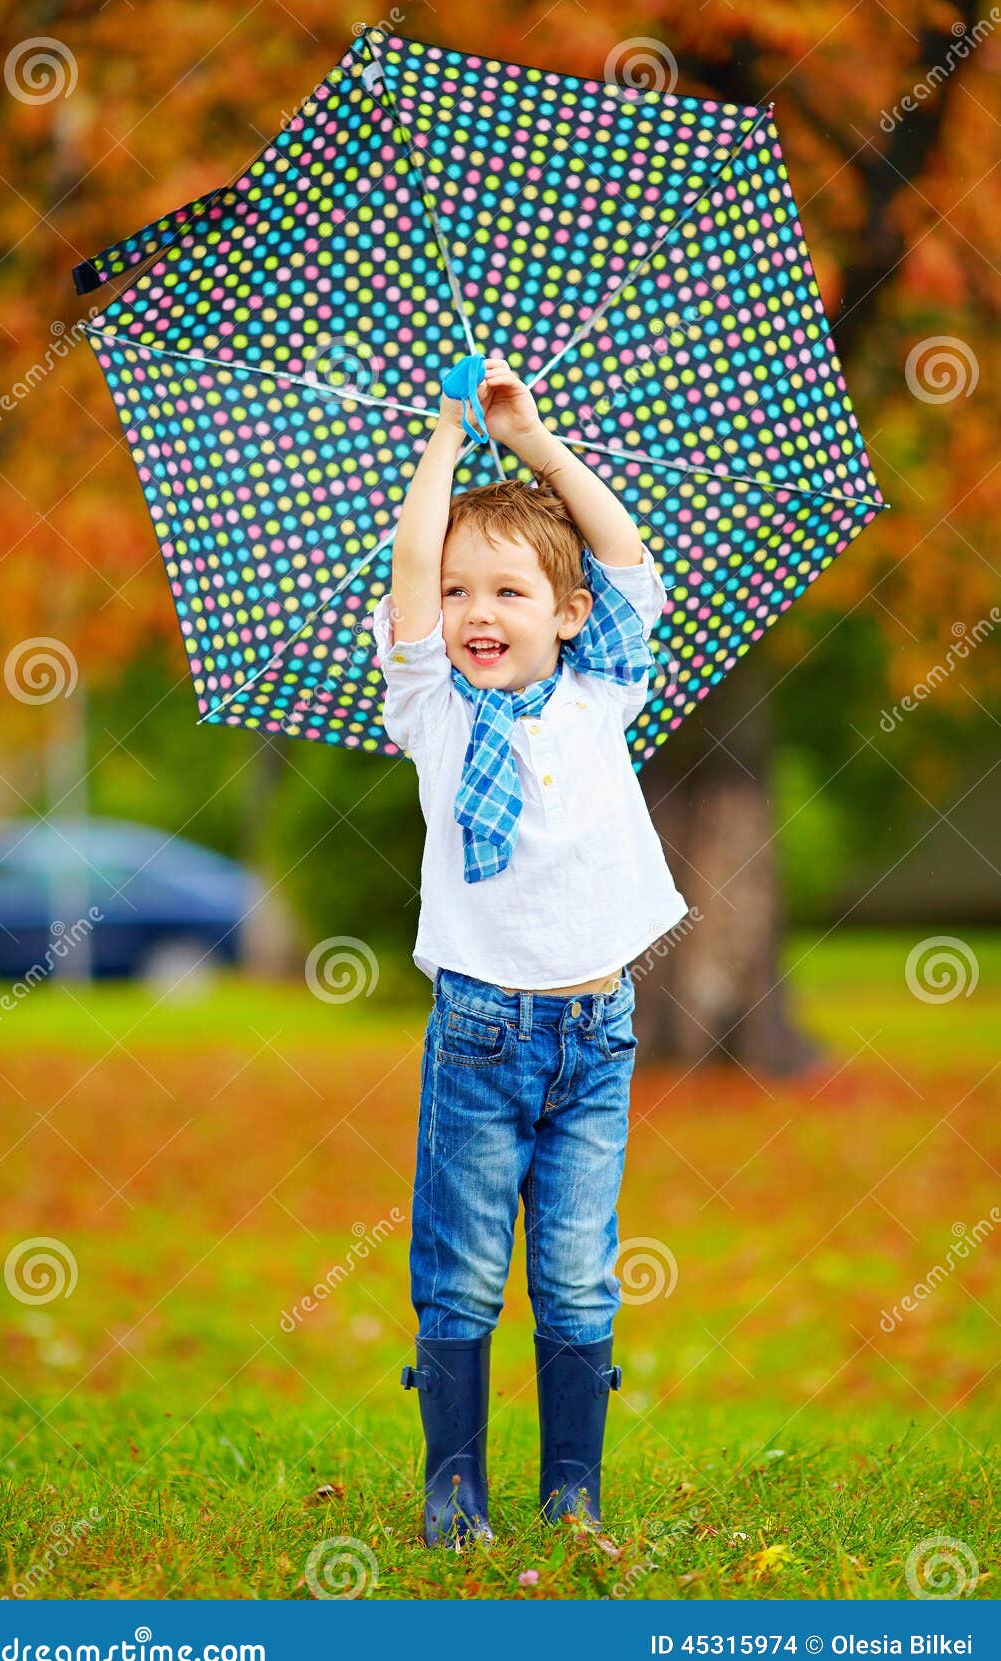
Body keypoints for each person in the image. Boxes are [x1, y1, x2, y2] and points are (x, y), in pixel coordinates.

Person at [369, 353, 689, 1547]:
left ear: (562, 618)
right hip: (477, 1034)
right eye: (460, 596)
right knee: (455, 1273)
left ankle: (572, 1492)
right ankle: (453, 1493)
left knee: (573, 1274)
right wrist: (447, 442)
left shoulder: (599, 692)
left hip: (593, 1036)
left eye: (505, 593)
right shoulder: (434, 712)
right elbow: (411, 576)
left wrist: (535, 442)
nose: (476, 615)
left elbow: (625, 566)